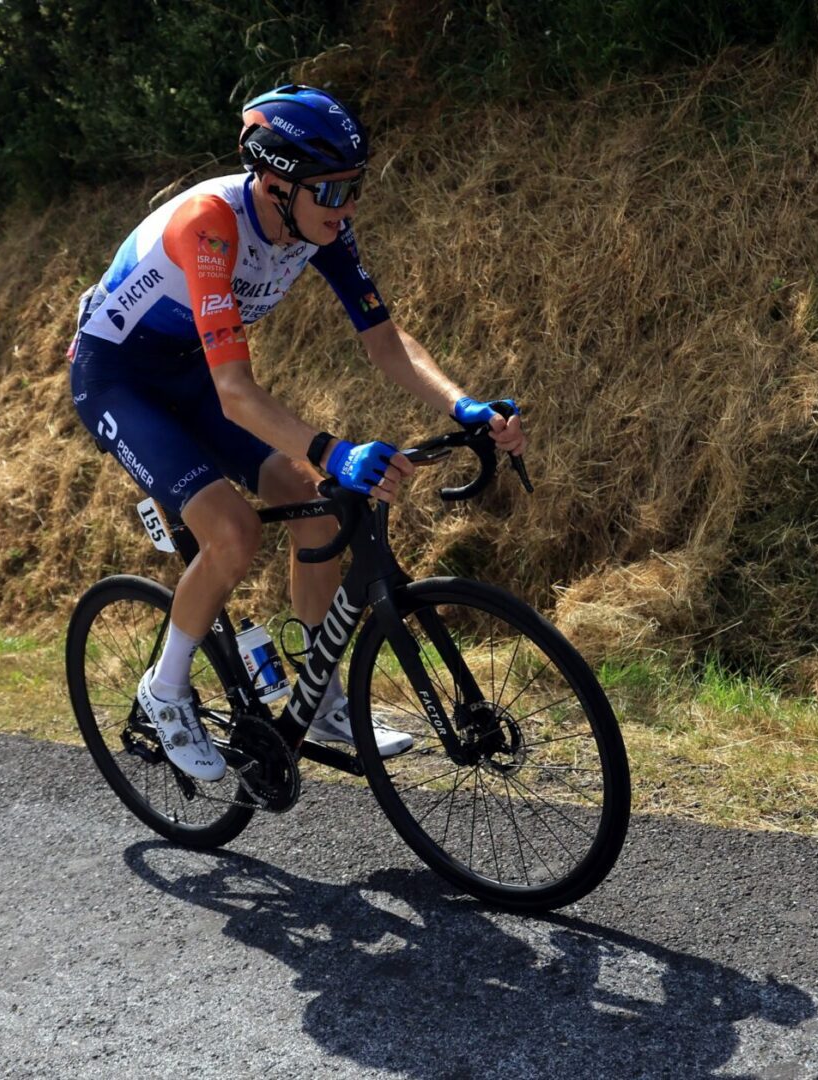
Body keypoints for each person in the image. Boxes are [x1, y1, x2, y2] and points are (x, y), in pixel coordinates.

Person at [68, 84, 525, 780]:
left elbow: (385, 341)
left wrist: (462, 407)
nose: (346, 210)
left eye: (353, 188)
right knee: (234, 532)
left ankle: (321, 699)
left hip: (189, 371)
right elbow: (236, 391)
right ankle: (163, 693)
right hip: (118, 380)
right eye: (332, 192)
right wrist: (334, 450)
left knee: (318, 511)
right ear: (277, 183)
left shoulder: (318, 222)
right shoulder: (210, 225)